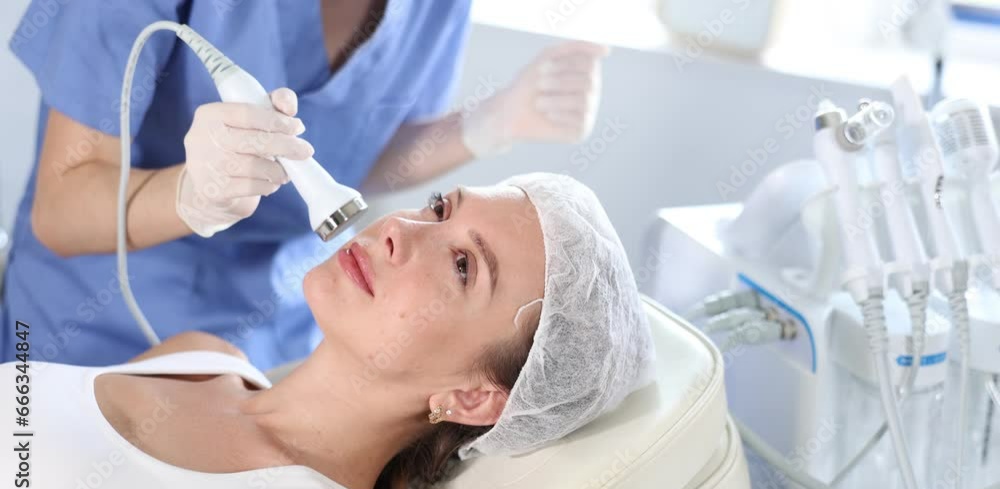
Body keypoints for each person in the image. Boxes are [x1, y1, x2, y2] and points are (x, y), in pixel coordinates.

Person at [2, 173, 655, 489]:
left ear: (473, 397)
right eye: (438, 208)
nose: (399, 229)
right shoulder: (199, 359)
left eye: (463, 266)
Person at [1, 0, 608, 371]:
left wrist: (489, 123)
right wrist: (191, 196)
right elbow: (62, 207)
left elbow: (352, 151)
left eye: (464, 264)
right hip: (90, 328)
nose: (395, 232)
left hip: (282, 329)